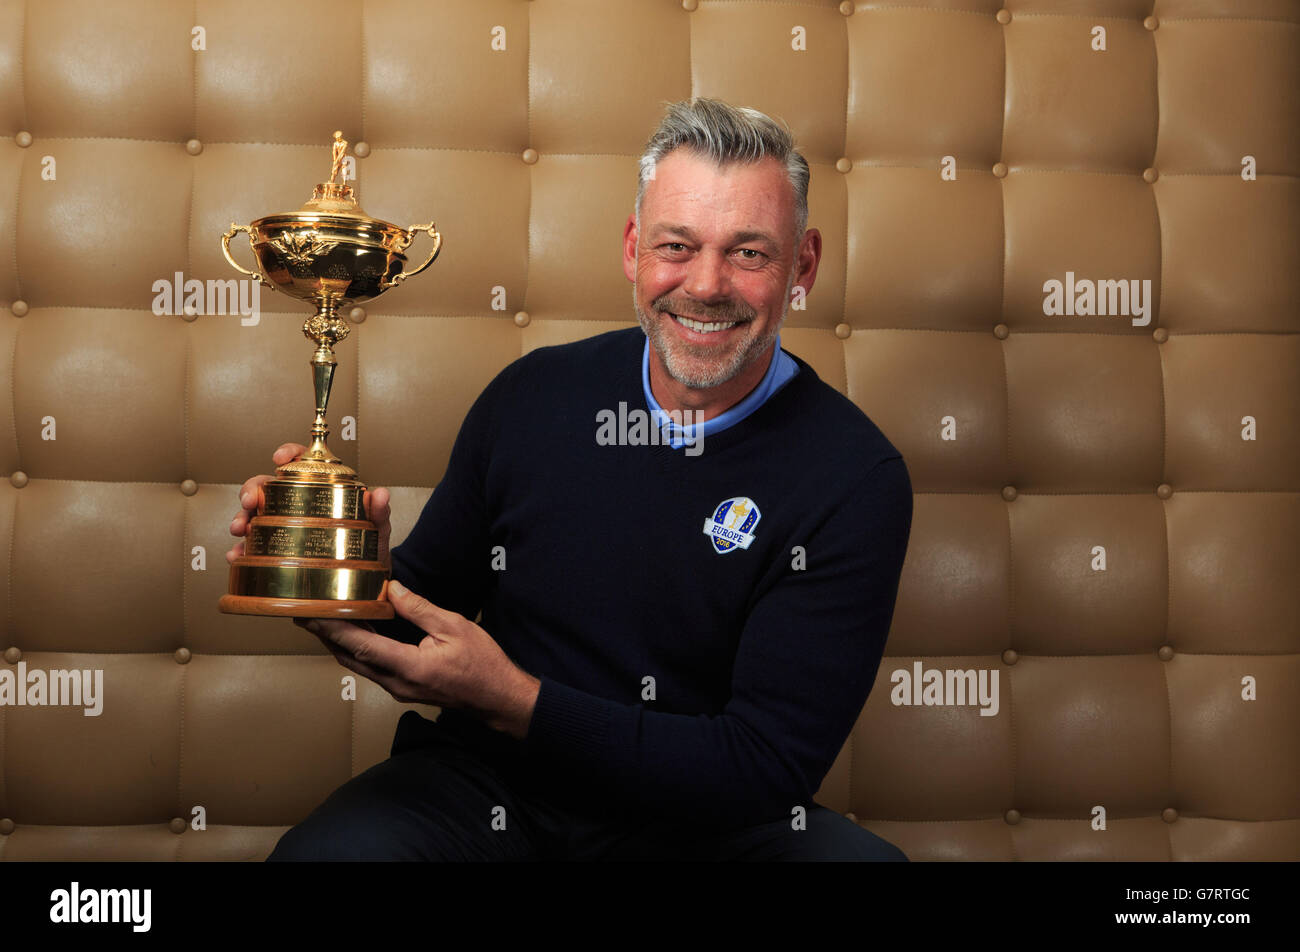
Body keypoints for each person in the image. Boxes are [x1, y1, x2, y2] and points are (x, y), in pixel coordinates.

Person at [229, 98, 913, 861]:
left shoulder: (855, 477)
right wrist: (334, 567)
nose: (707, 284)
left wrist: (518, 700)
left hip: (705, 823)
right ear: (632, 249)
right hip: (488, 790)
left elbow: (763, 765)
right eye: (676, 246)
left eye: (749, 253)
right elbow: (415, 632)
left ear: (803, 266)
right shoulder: (534, 397)